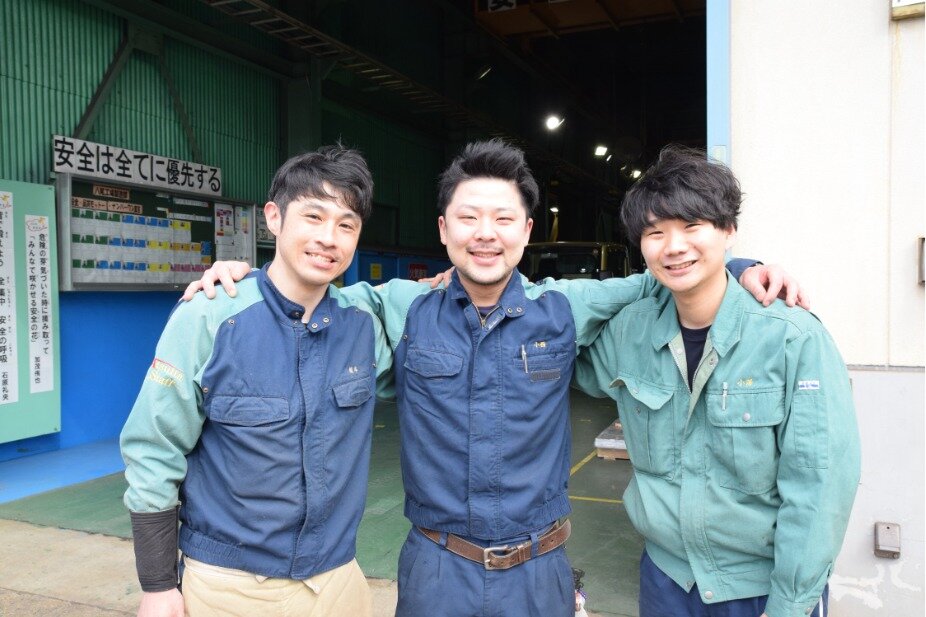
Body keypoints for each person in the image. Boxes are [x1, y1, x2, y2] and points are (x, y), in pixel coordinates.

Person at [187, 139, 806, 617]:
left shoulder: (564, 308)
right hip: (436, 571)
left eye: (504, 219)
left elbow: (664, 272)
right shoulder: (398, 309)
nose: (486, 234)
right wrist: (243, 279)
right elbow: (308, 293)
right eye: (469, 218)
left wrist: (743, 265)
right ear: (444, 230)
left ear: (527, 231)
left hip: (539, 573)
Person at [574, 146, 860, 617]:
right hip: (667, 580)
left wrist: (789, 606)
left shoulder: (793, 338)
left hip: (761, 588)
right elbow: (545, 338)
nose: (673, 246)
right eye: (655, 233)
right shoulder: (630, 334)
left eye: (692, 226)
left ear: (728, 231)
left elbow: (820, 486)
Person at [120, 144, 391, 617]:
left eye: (346, 225)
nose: (328, 238)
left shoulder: (366, 323)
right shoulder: (210, 315)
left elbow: (467, 285)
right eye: (313, 216)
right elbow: (154, 447)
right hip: (229, 586)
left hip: (338, 583)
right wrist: (158, 585)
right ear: (274, 218)